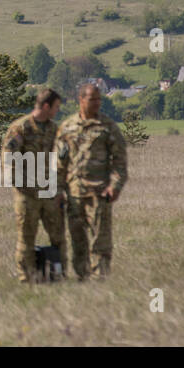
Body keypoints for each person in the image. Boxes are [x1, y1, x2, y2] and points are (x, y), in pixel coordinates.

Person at [56, 83, 128, 279]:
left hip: (99, 193)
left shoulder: (107, 127)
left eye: (99, 99)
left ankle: (100, 280)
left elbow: (120, 163)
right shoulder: (67, 127)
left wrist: (115, 186)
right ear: (81, 100)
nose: (97, 103)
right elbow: (59, 164)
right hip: (74, 194)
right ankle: (82, 278)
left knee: (100, 242)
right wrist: (57, 191)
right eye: (92, 99)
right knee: (78, 240)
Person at [2, 88, 64, 283]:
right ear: (46, 106)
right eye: (55, 107)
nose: (56, 111)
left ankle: (57, 275)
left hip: (49, 193)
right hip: (27, 194)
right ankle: (27, 278)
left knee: (59, 236)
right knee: (26, 238)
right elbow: (7, 156)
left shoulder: (54, 129)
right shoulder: (21, 127)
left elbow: (62, 159)